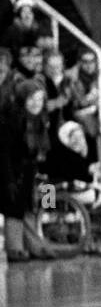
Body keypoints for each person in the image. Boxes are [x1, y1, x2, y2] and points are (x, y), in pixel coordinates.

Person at [1, 79, 55, 262]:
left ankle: (34, 246)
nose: (36, 104)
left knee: (30, 208)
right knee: (14, 209)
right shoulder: (11, 120)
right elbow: (5, 152)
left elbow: (44, 150)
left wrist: (45, 177)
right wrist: (8, 179)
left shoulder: (42, 120)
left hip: (29, 169)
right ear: (22, 99)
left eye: (40, 99)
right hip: (11, 170)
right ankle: (14, 248)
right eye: (32, 99)